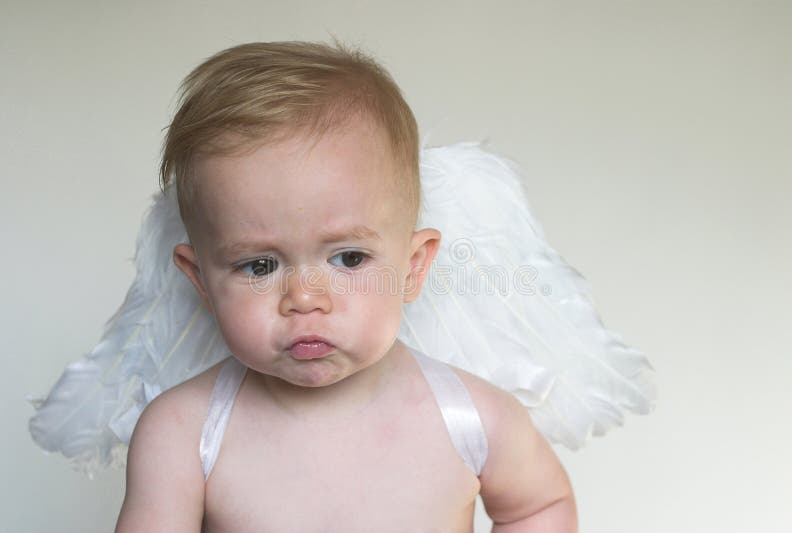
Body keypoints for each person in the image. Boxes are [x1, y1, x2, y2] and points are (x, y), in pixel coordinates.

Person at [113, 41, 578, 532]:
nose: (305, 299)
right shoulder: (184, 434)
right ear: (201, 281)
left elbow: (538, 506)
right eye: (259, 266)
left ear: (413, 266)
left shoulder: (472, 419)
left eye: (349, 258)